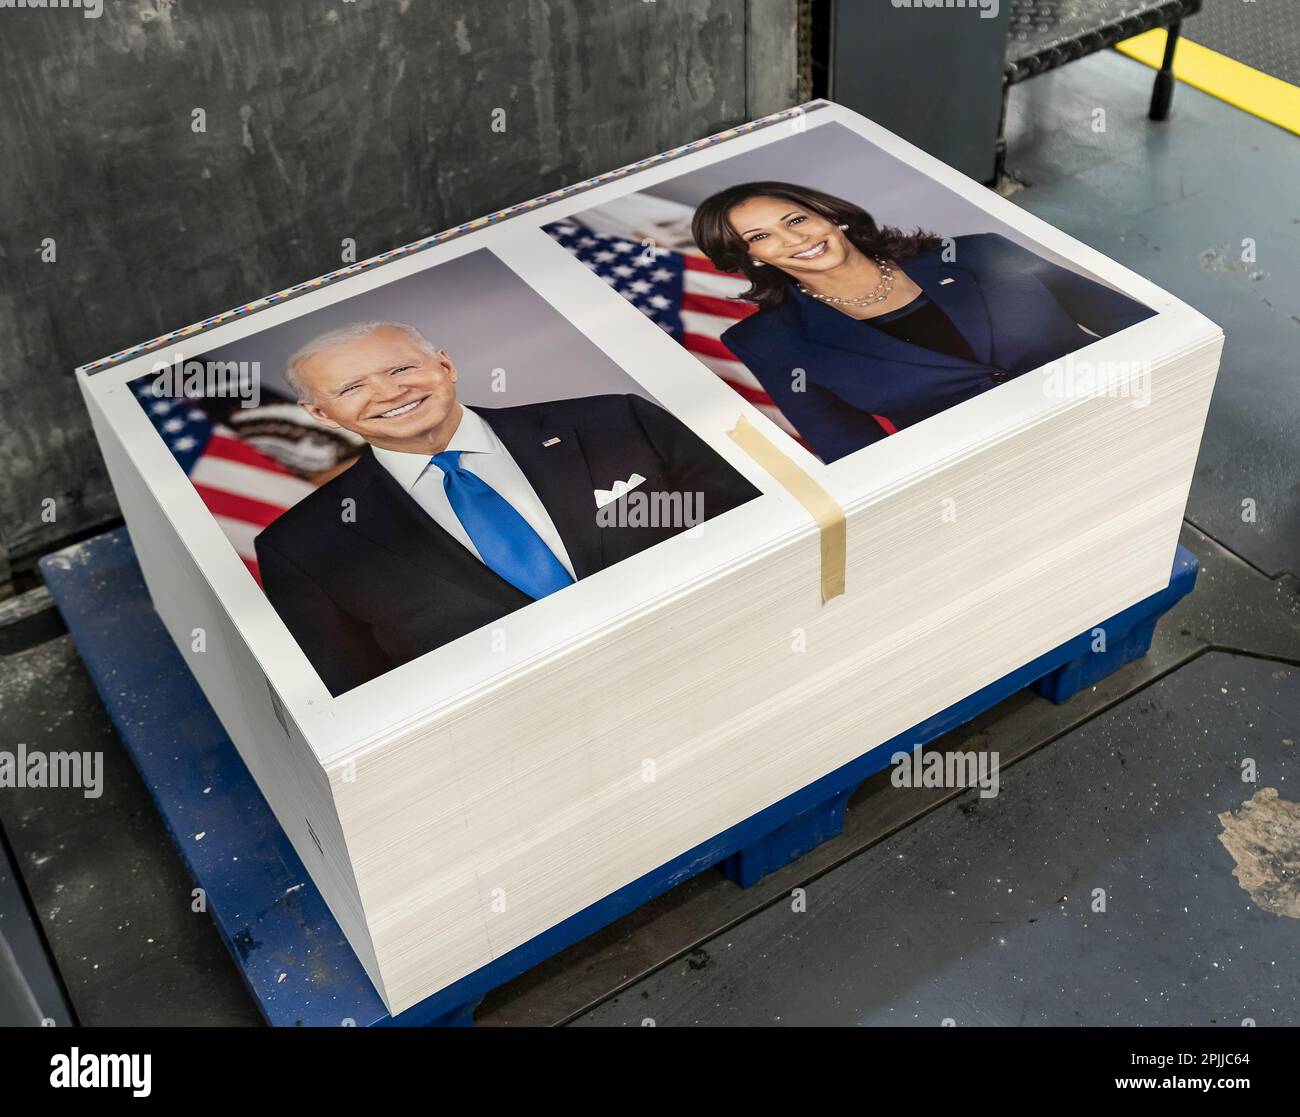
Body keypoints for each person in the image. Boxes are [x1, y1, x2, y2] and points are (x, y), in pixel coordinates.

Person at [254, 321, 759, 694]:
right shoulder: (301, 547)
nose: (389, 392)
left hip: (737, 657)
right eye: (351, 387)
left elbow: (756, 526)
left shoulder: (617, 420)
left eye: (401, 367)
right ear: (321, 413)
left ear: (444, 366)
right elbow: (361, 694)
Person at [691, 181, 1157, 463]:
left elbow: (1137, 326)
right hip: (984, 478)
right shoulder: (770, 341)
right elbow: (856, 453)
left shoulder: (977, 252)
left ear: (831, 215)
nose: (793, 239)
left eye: (796, 219)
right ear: (747, 258)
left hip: (1115, 421)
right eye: (760, 237)